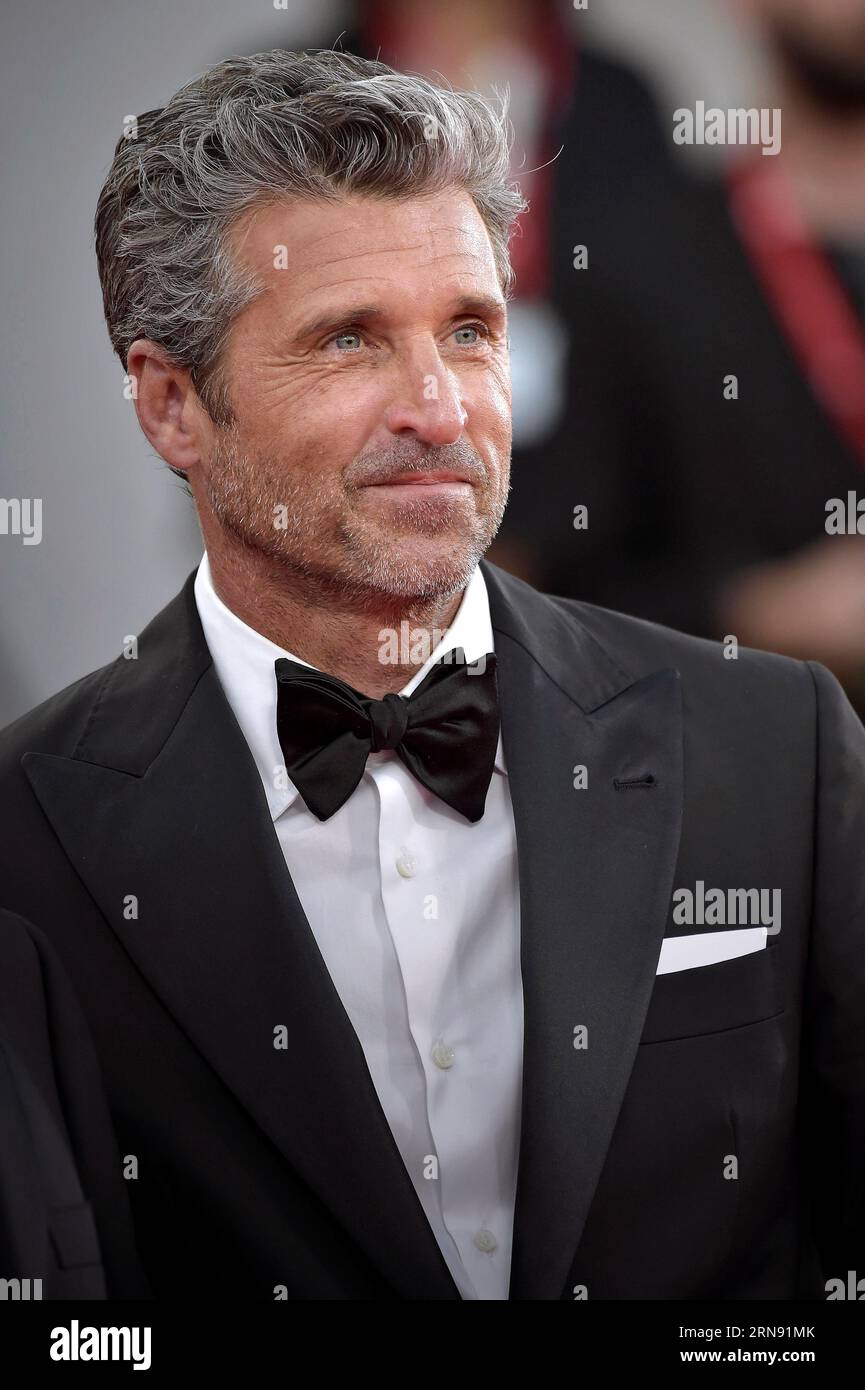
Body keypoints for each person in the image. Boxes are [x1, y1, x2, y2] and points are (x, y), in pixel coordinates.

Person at [0, 48, 862, 1300]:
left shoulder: (777, 749)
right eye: (349, 341)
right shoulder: (26, 837)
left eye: (469, 329)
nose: (438, 406)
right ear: (172, 403)